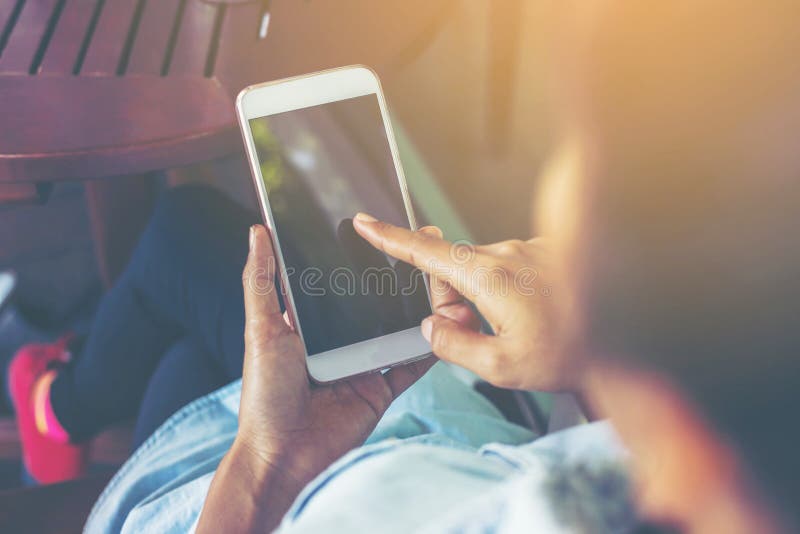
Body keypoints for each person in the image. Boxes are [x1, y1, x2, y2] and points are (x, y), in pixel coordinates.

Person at [18, 1, 800, 532]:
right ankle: (62, 402)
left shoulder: (398, 510)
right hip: (432, 429)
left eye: (576, 153)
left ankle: (56, 403)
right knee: (194, 335)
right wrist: (590, 373)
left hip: (280, 485)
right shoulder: (713, 476)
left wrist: (263, 468)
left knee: (183, 238)